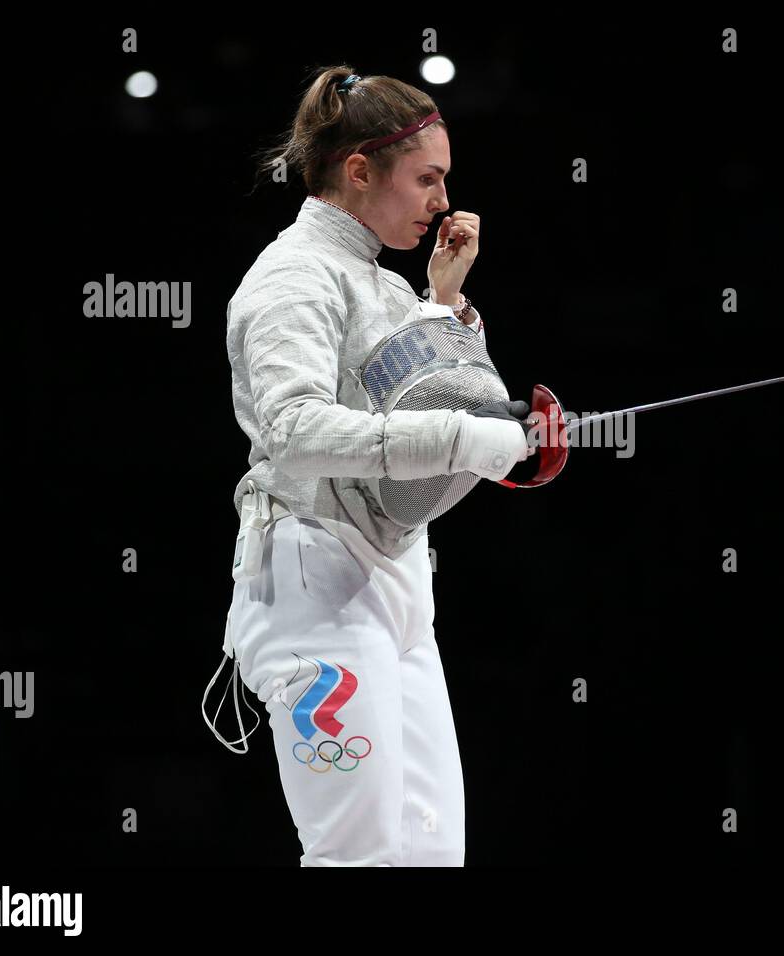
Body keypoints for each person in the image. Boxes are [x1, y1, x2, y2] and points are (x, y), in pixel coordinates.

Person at [207, 66, 535, 866]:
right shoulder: (291, 278)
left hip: (391, 584)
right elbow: (294, 428)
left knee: (427, 854)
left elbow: (425, 403)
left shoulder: (386, 286)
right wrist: (464, 440)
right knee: (356, 855)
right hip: (312, 584)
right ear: (360, 171)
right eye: (427, 179)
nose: (441, 202)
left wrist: (443, 305)